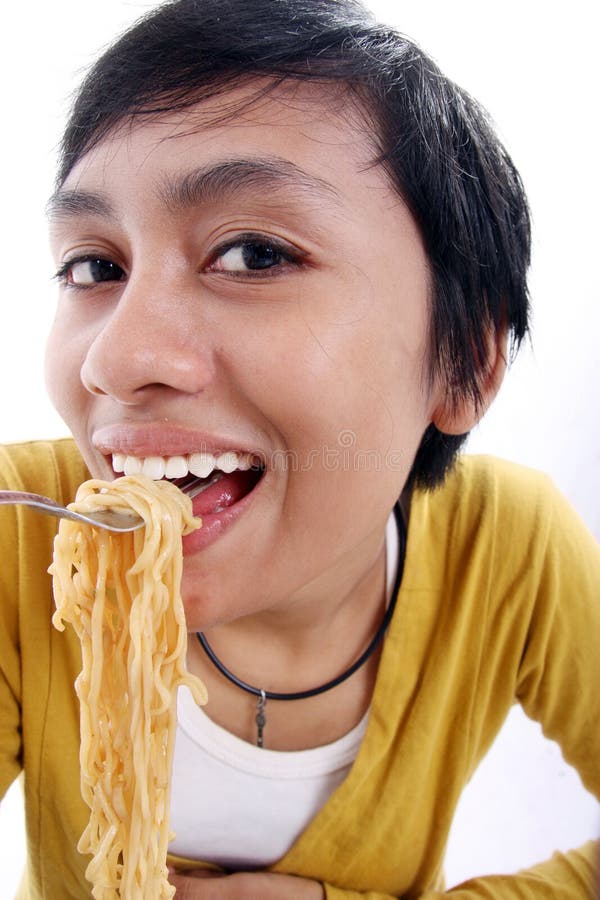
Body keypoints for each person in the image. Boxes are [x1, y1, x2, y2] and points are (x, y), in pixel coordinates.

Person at [0, 0, 598, 897]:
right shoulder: (22, 540)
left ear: (464, 364)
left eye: (252, 254)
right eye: (96, 265)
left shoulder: (506, 551)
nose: (116, 360)